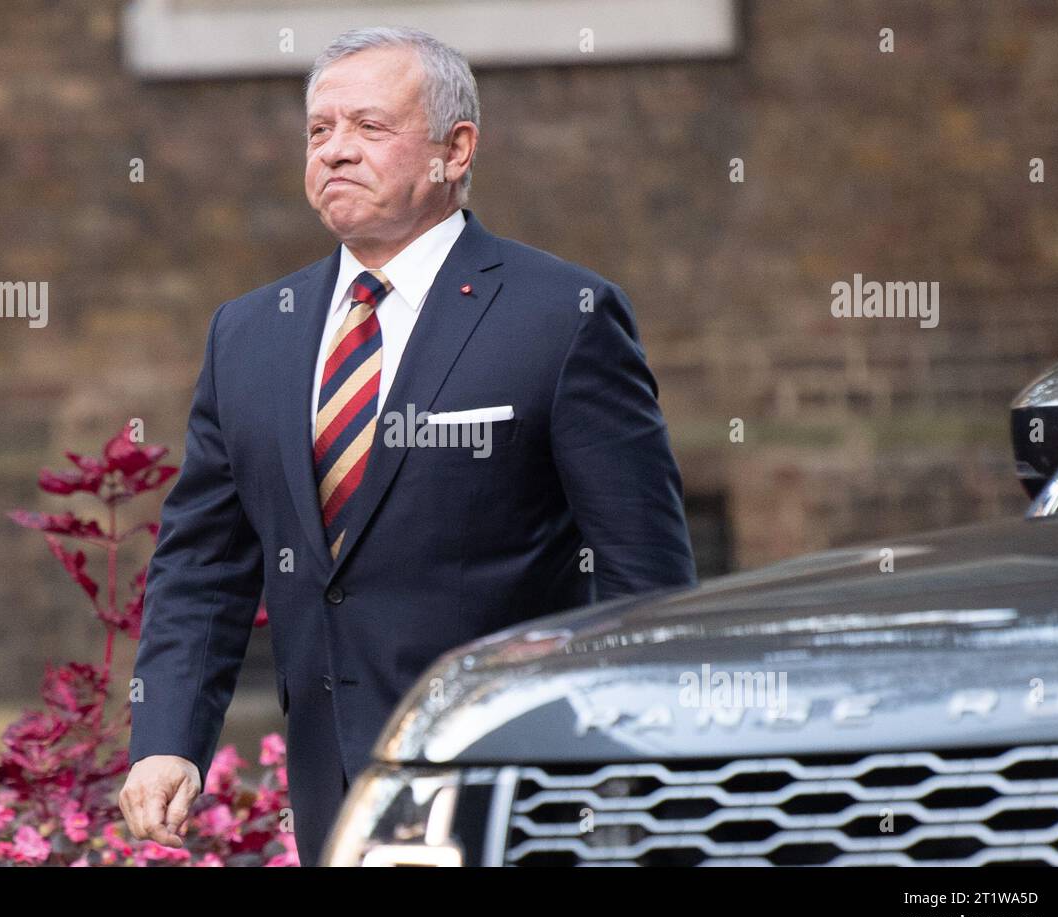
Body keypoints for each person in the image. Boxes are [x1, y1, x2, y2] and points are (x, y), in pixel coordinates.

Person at [118, 25, 697, 866]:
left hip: (523, 798)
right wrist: (168, 738)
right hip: (336, 802)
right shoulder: (249, 333)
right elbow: (203, 563)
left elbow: (645, 581)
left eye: (369, 128)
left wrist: (628, 783)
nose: (335, 152)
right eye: (319, 131)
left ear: (454, 150)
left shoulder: (562, 318)